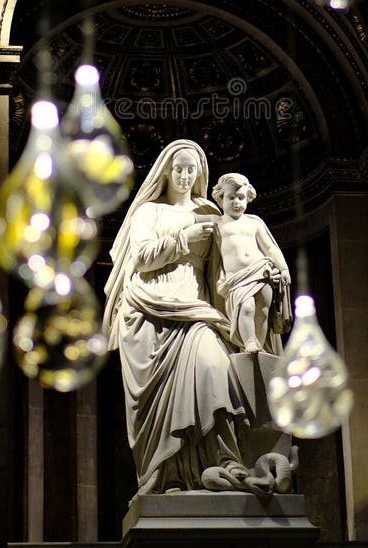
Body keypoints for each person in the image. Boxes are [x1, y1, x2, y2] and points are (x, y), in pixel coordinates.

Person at [103, 139, 250, 495]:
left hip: (197, 307)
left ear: (201, 174)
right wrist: (182, 239)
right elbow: (140, 259)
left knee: (214, 366)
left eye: (192, 169)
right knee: (157, 403)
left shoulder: (210, 213)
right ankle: (165, 475)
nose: (184, 176)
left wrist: (259, 279)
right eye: (178, 168)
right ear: (166, 171)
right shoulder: (148, 213)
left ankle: (225, 461)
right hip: (150, 308)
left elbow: (230, 263)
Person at [211, 173, 292, 354]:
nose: (237, 202)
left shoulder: (254, 222)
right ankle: (248, 342)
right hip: (237, 279)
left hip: (261, 272)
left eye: (241, 198)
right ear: (220, 198)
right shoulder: (217, 223)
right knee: (245, 308)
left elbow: (270, 248)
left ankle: (259, 346)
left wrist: (284, 268)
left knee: (262, 312)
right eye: (231, 198)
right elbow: (191, 219)